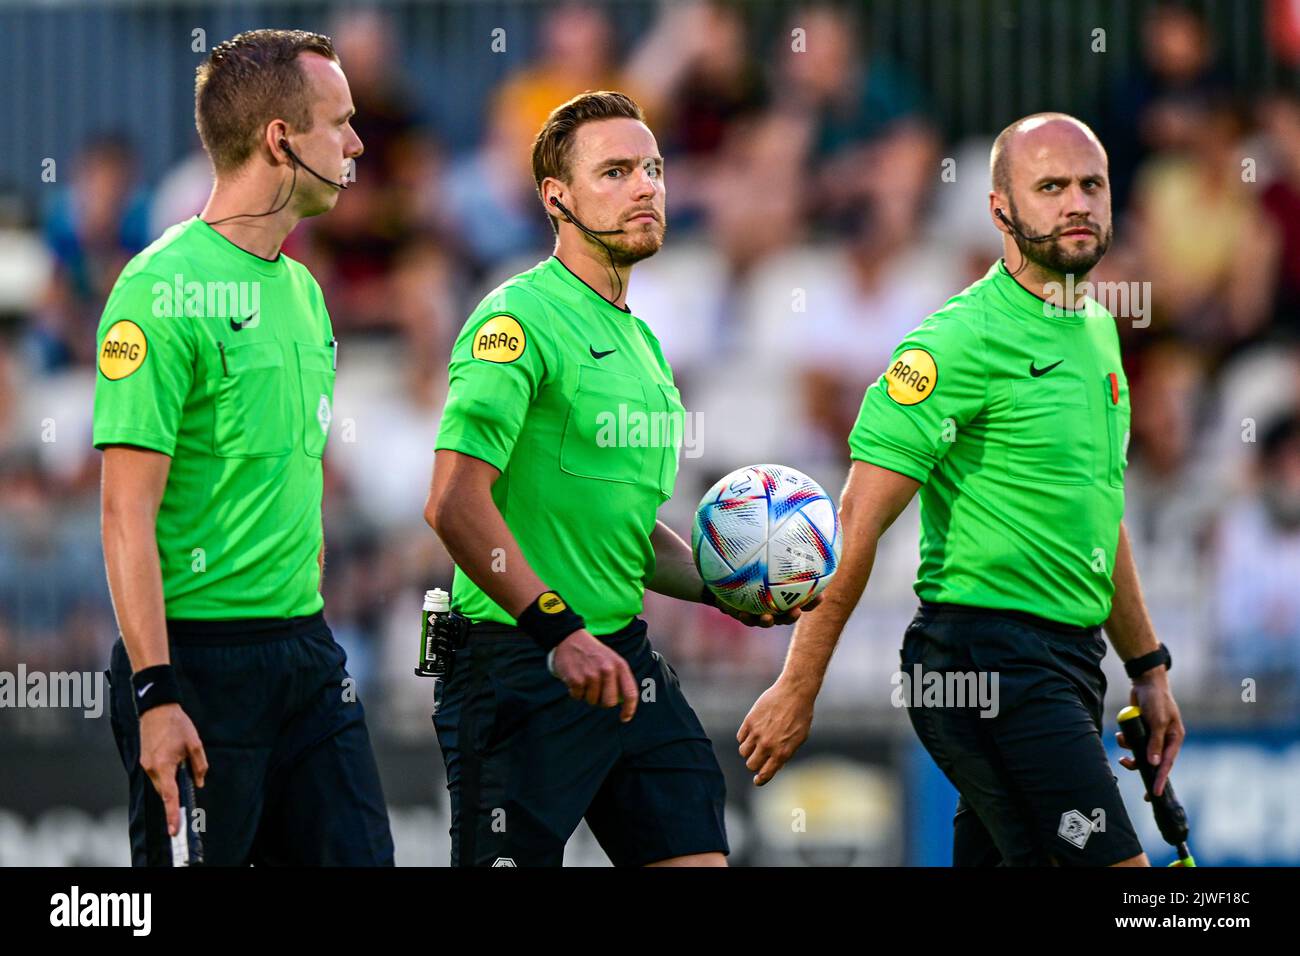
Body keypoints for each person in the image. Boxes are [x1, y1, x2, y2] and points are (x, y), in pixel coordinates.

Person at [738, 113, 1185, 867]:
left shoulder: (1100, 331)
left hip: (1068, 663)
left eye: (1091, 185)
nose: (1077, 202)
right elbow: (857, 520)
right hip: (987, 661)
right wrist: (798, 686)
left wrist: (1149, 667)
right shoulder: (953, 344)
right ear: (1000, 210)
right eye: (1050, 187)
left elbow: (1099, 518)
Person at [424, 90, 812, 867]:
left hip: (623, 662)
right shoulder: (516, 319)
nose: (646, 187)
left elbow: (629, 538)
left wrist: (728, 584)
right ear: (556, 199)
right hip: (517, 664)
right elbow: (452, 502)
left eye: (655, 169)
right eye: (616, 172)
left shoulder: (644, 346)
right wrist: (558, 630)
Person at [94, 29, 393, 865]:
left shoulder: (303, 288)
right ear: (280, 139)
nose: (357, 143)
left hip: (307, 654)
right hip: (196, 664)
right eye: (340, 122)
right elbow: (124, 517)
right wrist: (156, 695)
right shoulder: (157, 291)